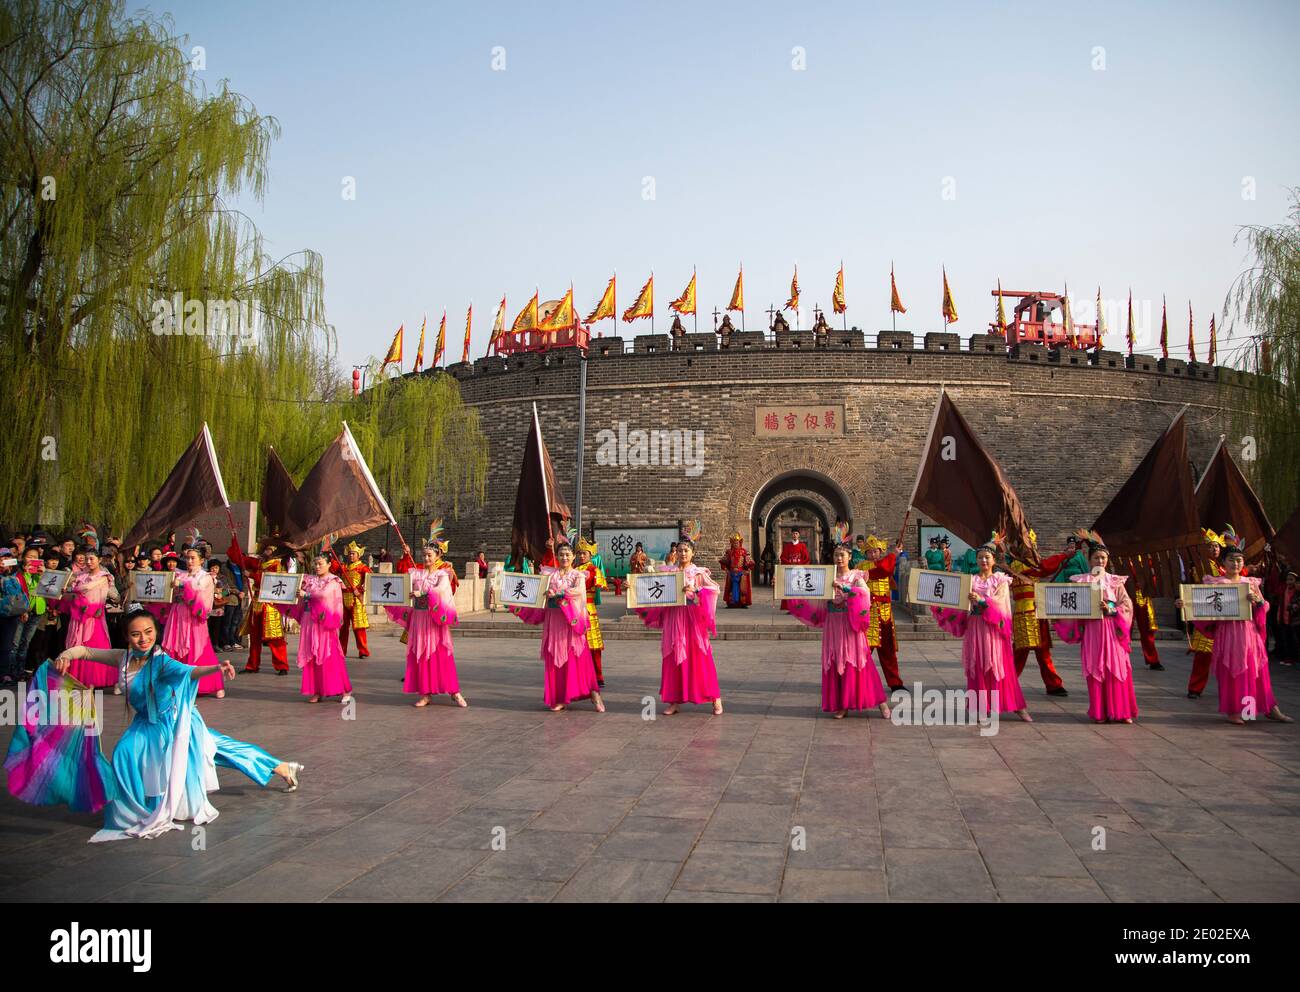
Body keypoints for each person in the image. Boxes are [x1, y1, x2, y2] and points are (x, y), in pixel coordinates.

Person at [51, 608, 303, 842]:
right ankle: (136, 810)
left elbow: (189, 671)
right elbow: (85, 651)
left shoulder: (162, 662)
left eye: (148, 632)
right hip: (146, 724)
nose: (143, 639)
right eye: (136, 634)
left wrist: (216, 668)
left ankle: (281, 767)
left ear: (156, 632)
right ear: (127, 636)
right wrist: (64, 655)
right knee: (124, 753)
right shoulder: (122, 658)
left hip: (174, 723)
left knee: (219, 750)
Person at [1176, 531, 1291, 725]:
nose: (1236, 564)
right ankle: (1236, 710)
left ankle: (1268, 708)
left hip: (1249, 634)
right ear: (1223, 562)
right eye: (1231, 560)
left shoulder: (1250, 583)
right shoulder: (1216, 583)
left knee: (1256, 671)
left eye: (1239, 560)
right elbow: (1201, 605)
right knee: (1233, 672)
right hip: (1228, 634)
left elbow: (1265, 606)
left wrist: (1257, 603)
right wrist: (1185, 604)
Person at [930, 534, 1032, 722]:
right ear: (975, 560)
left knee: (998, 665)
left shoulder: (1000, 580)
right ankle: (981, 707)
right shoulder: (971, 581)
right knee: (978, 666)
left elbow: (1001, 603)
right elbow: (957, 600)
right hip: (975, 626)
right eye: (980, 557)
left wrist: (982, 600)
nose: (983, 560)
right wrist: (939, 601)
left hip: (993, 629)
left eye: (987, 557)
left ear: (994, 560)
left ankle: (1015, 705)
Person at [787, 543, 890, 719]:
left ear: (850, 557)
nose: (839, 558)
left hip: (850, 625)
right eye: (836, 555)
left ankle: (881, 702)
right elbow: (806, 590)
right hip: (833, 624)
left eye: (842, 555)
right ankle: (843, 705)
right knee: (836, 661)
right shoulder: (827, 576)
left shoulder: (856, 575)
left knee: (858, 661)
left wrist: (846, 589)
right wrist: (785, 584)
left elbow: (865, 594)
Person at [506, 541, 605, 713]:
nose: (564, 557)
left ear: (573, 557)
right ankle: (561, 698)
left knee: (579, 659)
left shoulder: (578, 575)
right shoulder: (550, 574)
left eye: (567, 554)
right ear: (557, 556)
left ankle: (594, 694)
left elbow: (579, 593)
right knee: (556, 659)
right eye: (561, 555)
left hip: (571, 621)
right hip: (554, 621)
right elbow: (537, 589)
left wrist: (560, 594)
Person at [1051, 531, 1138, 723]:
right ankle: (1100, 712)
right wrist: (1052, 610)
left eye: (1103, 558)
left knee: (1116, 668)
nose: (1100, 561)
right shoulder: (1081, 581)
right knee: (1096, 669)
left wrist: (1111, 608)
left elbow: (1127, 605)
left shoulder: (1115, 581)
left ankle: (1121, 712)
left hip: (1112, 630)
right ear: (1089, 560)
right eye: (1096, 557)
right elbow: (1070, 605)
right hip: (1092, 631)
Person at [633, 532, 723, 716]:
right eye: (680, 550)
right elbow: (652, 590)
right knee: (673, 656)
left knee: (699, 656)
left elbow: (714, 589)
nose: (683, 553)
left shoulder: (698, 573)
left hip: (691, 618)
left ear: (692, 553)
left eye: (686, 550)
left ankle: (715, 699)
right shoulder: (669, 572)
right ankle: (674, 701)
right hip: (674, 618)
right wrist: (632, 587)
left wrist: (696, 590)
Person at [386, 539, 465, 708]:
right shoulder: (416, 573)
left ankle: (454, 691)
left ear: (438, 556)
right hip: (418, 618)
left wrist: (422, 592)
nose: (426, 558)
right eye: (424, 555)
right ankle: (425, 693)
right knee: (421, 654)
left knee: (440, 655)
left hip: (433, 619)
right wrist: (406, 555)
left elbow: (441, 590)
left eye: (429, 555)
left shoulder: (442, 574)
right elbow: (401, 581)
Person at [1004, 532, 1070, 697]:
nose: (1031, 549)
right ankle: (1006, 683)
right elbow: (1045, 567)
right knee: (1019, 653)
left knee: (1043, 652)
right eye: (1027, 546)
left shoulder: (1022, 564)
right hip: (1024, 613)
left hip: (1036, 612)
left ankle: (1053, 684)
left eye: (1031, 546)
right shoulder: (1019, 566)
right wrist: (1063, 555)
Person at [287, 554, 353, 705]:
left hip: (325, 623)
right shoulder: (309, 579)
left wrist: (306, 594)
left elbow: (323, 596)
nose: (317, 567)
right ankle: (317, 690)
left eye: (320, 564)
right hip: (309, 620)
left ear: (329, 564)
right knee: (311, 655)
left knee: (330, 656)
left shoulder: (333, 581)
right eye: (315, 564)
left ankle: (345, 689)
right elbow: (296, 589)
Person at [161, 547, 224, 698]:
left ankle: (212, 684)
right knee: (175, 647)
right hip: (177, 615)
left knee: (199, 648)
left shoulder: (205, 577)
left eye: (193, 558)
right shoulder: (179, 574)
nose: (189, 561)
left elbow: (200, 595)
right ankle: (177, 684)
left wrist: (183, 586)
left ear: (201, 560)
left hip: (194, 617)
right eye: (187, 558)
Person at [227, 535, 290, 675]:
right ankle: (252, 665)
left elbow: (273, 581)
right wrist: (234, 539)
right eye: (266, 548)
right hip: (257, 603)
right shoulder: (259, 562)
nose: (266, 551)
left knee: (275, 637)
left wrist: (252, 575)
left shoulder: (278, 565)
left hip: (271, 604)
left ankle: (282, 665)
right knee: (255, 636)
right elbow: (239, 559)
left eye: (270, 549)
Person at [60, 545, 117, 691]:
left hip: (94, 615)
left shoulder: (104, 577)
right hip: (78, 615)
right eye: (86, 559)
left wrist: (71, 589)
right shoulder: (80, 576)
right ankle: (77, 680)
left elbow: (87, 588)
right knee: (75, 643)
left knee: (93, 646)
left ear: (99, 560)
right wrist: (70, 593)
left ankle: (91, 682)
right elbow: (67, 595)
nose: (88, 562)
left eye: (92, 559)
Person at [859, 534, 906, 692]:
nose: (873, 554)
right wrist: (893, 555)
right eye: (870, 552)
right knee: (864, 651)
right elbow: (882, 570)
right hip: (868, 612)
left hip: (885, 613)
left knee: (888, 651)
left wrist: (893, 556)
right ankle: (859, 683)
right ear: (865, 553)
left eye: (876, 551)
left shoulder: (887, 564)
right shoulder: (862, 567)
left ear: (880, 551)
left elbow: (887, 570)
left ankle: (895, 683)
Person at [1186, 528, 1227, 699]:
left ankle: (1228, 690)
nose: (1214, 549)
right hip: (1208, 612)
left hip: (1223, 613)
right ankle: (1195, 687)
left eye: (1217, 546)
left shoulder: (1221, 566)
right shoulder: (1203, 565)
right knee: (1204, 652)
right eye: (1210, 546)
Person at [330, 541, 372, 658]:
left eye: (353, 553)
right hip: (343, 599)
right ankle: (341, 650)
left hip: (356, 599)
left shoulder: (363, 568)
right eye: (350, 553)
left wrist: (361, 589)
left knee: (358, 627)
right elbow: (333, 567)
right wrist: (329, 554)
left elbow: (370, 581)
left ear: (359, 555)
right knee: (343, 627)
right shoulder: (344, 567)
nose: (351, 555)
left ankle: (363, 651)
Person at [575, 538, 607, 687]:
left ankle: (598, 675)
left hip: (588, 609)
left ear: (590, 555)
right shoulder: (573, 570)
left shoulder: (594, 569)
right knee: (576, 645)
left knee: (593, 645)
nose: (582, 556)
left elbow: (595, 584)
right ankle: (580, 674)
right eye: (580, 553)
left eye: (585, 553)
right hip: (574, 610)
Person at [719, 531, 754, 609]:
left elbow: (751, 562)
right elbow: (723, 561)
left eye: (737, 543)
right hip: (732, 573)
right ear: (732, 543)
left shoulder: (744, 552)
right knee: (731, 588)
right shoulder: (729, 552)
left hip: (741, 573)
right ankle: (732, 603)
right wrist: (726, 569)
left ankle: (742, 603)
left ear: (739, 543)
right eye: (734, 543)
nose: (735, 544)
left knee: (743, 589)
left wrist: (748, 570)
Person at [779, 528, 810, 610]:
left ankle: (800, 606)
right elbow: (783, 557)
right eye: (793, 533)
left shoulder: (802, 546)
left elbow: (806, 558)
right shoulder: (787, 546)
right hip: (790, 571)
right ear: (791, 535)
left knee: (799, 589)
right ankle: (791, 607)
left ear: (799, 535)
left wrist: (800, 566)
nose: (795, 535)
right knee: (790, 589)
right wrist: (790, 565)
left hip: (800, 571)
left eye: (796, 533)